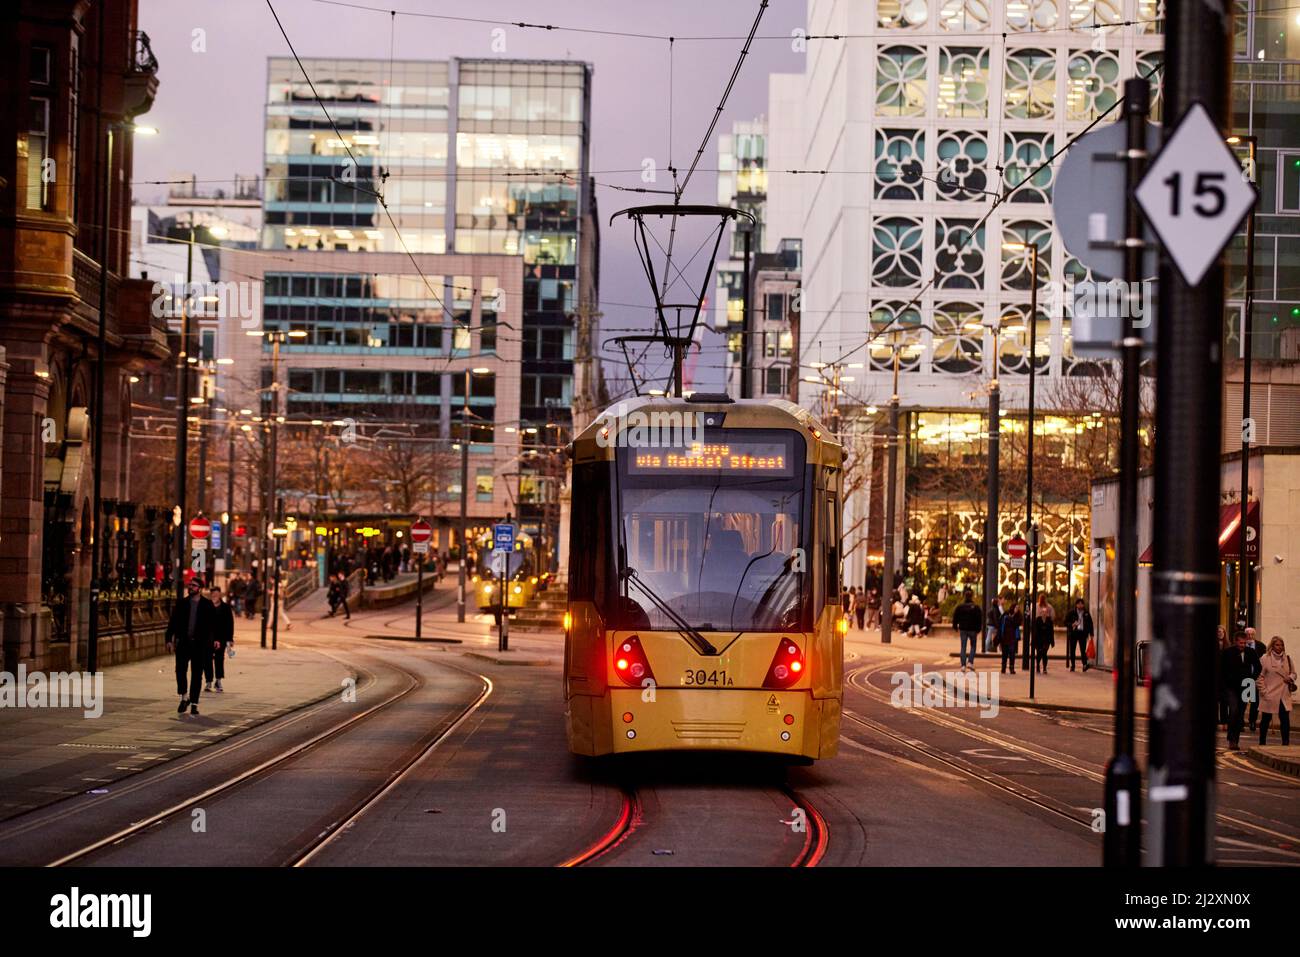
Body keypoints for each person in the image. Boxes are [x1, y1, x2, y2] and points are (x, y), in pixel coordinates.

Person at [165, 578, 215, 716]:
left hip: (200, 645)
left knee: (197, 674)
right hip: (183, 643)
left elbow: (212, 626)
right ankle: (184, 697)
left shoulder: (207, 605)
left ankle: (194, 703)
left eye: (194, 585)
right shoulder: (182, 603)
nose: (190, 587)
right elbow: (173, 622)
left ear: (200, 588)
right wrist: (169, 639)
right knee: (180, 670)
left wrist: (214, 641)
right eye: (190, 585)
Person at [1220, 630, 1261, 751]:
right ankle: (1231, 739)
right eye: (1240, 643)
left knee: (1240, 714)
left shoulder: (1251, 652)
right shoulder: (1227, 653)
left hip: (1246, 686)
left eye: (1244, 643)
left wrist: (1252, 679)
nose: (1242, 645)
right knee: (1233, 711)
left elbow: (1258, 667)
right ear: (1235, 641)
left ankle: (1235, 740)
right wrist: (1223, 686)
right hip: (1231, 687)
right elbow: (1221, 670)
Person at [1257, 636, 1296, 746]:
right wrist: (1264, 692)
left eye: (1282, 645)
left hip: (1284, 694)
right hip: (1270, 693)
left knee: (1285, 719)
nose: (1280, 647)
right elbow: (1259, 677)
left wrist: (1291, 678)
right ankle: (1262, 743)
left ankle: (1285, 743)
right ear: (1272, 646)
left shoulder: (1287, 658)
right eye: (1277, 645)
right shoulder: (1265, 658)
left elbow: (1294, 673)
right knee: (1266, 719)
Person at [208, 585, 235, 692]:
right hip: (208, 638)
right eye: (213, 594)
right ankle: (208, 681)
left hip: (222, 638)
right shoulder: (207, 606)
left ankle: (218, 681)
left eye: (216, 593)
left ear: (220, 594)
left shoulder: (225, 607)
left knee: (219, 659)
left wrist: (230, 639)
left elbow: (230, 623)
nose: (215, 595)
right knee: (207, 660)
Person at [952, 589, 982, 673]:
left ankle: (963, 665)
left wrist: (955, 626)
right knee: (973, 646)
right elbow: (979, 619)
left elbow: (955, 617)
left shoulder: (960, 607)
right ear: (972, 596)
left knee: (963, 647)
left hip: (963, 629)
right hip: (973, 630)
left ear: (964, 596)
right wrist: (978, 629)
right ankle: (970, 661)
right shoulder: (976, 607)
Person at [1064, 599, 1094, 672]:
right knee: (1072, 650)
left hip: (1082, 634)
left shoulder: (1086, 613)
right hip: (1074, 633)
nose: (1080, 605)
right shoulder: (1072, 612)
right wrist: (1072, 624)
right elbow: (1065, 622)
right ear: (1076, 604)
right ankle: (1073, 665)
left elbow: (1090, 624)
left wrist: (1091, 633)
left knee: (1083, 650)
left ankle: (1084, 665)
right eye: (1079, 604)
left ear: (1083, 605)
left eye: (1081, 604)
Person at [1246, 626, 1267, 732]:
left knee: (1255, 701)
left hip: (1256, 677)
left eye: (1252, 634)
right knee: (1244, 700)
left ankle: (1252, 721)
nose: (1250, 636)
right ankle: (1240, 722)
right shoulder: (1241, 646)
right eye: (1248, 634)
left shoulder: (1261, 646)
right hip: (1244, 677)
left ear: (1255, 635)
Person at [1031, 595, 1054, 673]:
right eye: (1042, 612)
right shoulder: (1038, 620)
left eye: (1045, 612)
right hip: (1038, 639)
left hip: (1046, 639)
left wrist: (1052, 641)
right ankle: (1037, 665)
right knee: (1039, 653)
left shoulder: (1049, 621)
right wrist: (1033, 641)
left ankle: (1044, 667)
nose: (1044, 613)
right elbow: (1035, 631)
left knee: (1044, 653)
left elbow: (1051, 631)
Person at [999, 599, 1022, 675]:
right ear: (1012, 607)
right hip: (1005, 637)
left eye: (1018, 608)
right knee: (1004, 654)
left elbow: (1017, 624)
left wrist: (1014, 616)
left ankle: (1012, 668)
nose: (1017, 609)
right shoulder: (1006, 614)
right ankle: (1003, 668)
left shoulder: (1018, 616)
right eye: (1016, 608)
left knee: (1012, 654)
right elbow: (1000, 623)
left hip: (1012, 638)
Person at [1216, 625, 1231, 726]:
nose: (1220, 633)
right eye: (1218, 632)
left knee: (1224, 700)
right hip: (1215, 676)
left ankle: (1224, 720)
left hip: (1225, 677)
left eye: (1222, 632)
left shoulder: (1228, 646)